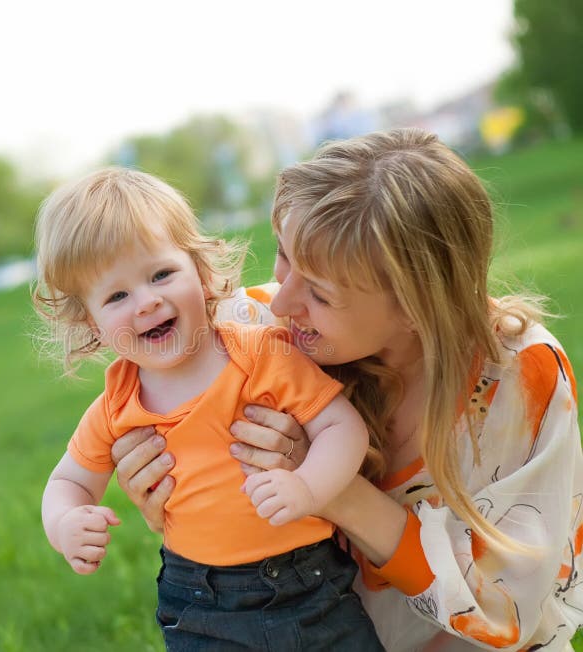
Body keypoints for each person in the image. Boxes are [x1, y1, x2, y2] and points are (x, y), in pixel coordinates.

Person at [112, 128, 583, 651]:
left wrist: (332, 488)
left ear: (415, 306)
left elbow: (507, 609)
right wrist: (165, 491)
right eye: (285, 256)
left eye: (319, 292)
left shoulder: (517, 378)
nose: (283, 302)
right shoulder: (249, 336)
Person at [34, 167, 384, 650]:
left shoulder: (261, 353)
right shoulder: (116, 404)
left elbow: (342, 428)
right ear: (90, 323)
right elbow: (69, 482)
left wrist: (307, 486)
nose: (146, 301)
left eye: (161, 274)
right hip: (196, 599)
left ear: (200, 273)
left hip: (305, 582)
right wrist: (64, 523)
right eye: (117, 295)